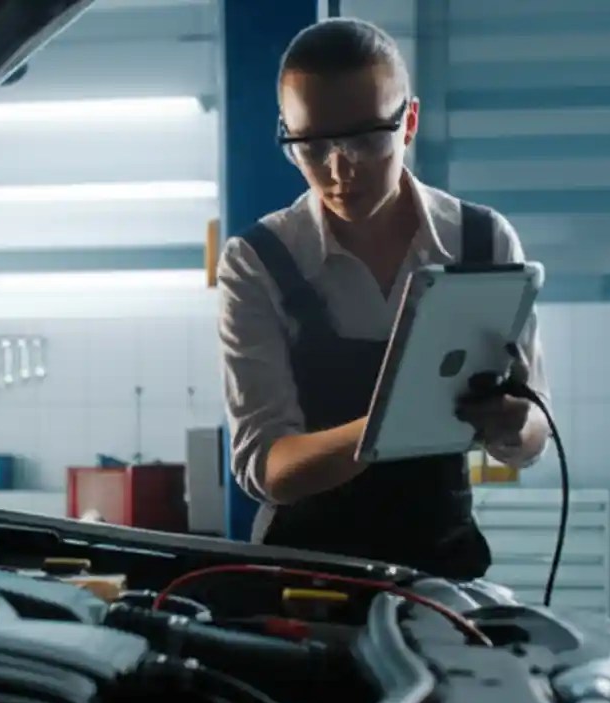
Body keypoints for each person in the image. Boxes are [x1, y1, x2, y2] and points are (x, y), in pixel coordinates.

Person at [217, 17, 551, 580]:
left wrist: (515, 422)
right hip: (304, 578)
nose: (340, 169)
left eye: (367, 139)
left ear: (409, 123)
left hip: (441, 570)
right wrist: (398, 421)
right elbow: (266, 465)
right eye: (311, 145)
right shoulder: (259, 262)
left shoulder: (482, 241)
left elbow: (532, 436)